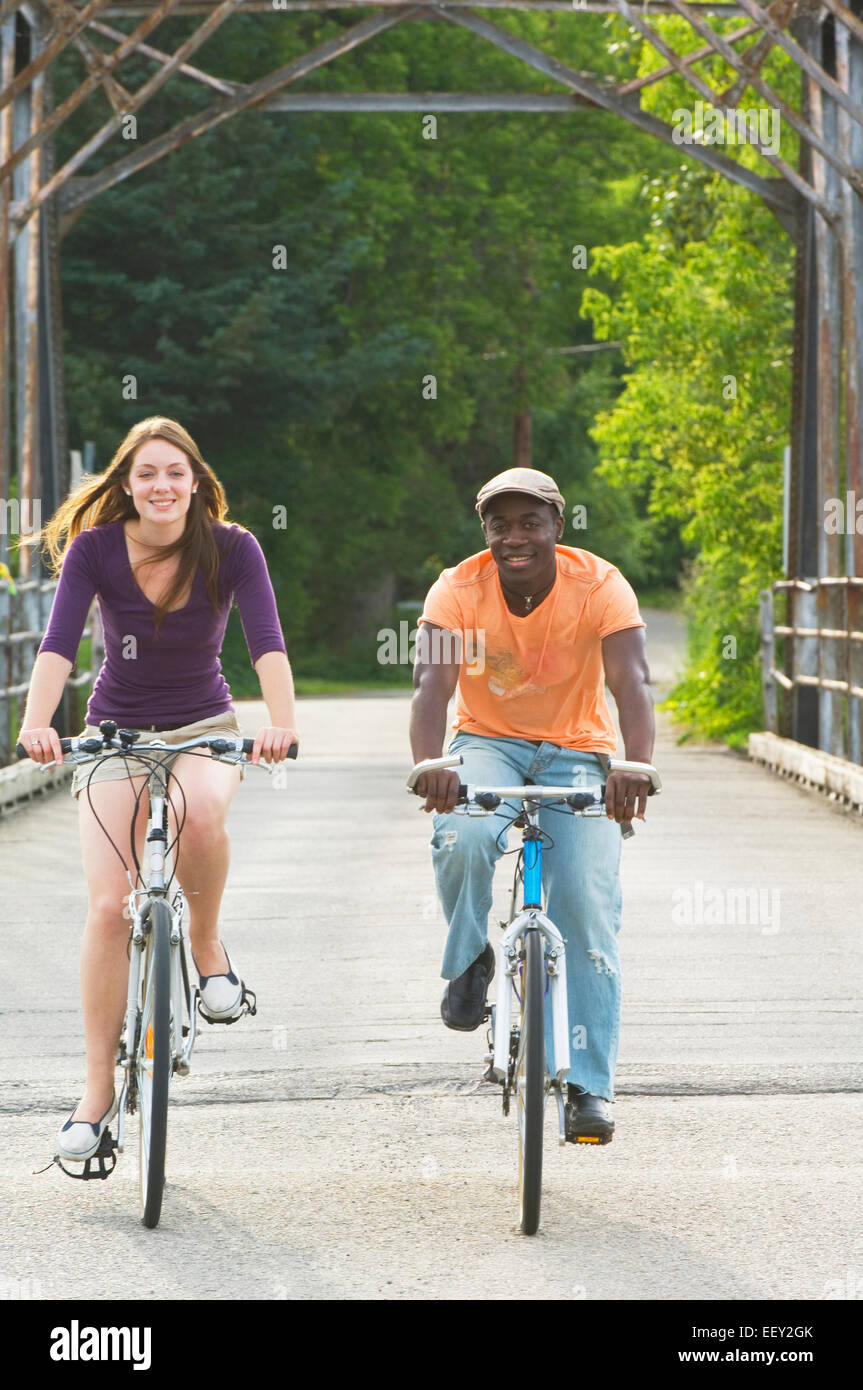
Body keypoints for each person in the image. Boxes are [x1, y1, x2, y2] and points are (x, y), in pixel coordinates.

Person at [17, 416, 299, 1164]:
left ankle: (207, 949)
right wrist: (37, 722)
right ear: (126, 485)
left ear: (197, 483)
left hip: (202, 725)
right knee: (110, 905)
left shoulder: (233, 547)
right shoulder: (96, 549)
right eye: (146, 473)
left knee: (200, 813)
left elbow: (266, 643)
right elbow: (57, 644)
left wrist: (282, 724)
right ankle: (96, 1094)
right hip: (114, 731)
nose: (162, 486)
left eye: (175, 472)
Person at [409, 466, 654, 1143]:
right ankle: (468, 960)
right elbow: (431, 687)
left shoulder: (599, 585)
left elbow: (630, 680)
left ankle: (589, 1088)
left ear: (557, 526)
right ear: (484, 530)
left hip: (580, 750)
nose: (512, 537)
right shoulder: (456, 588)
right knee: (462, 837)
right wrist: (430, 764)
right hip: (486, 742)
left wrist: (632, 765)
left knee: (586, 904)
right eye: (498, 524)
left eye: (528, 522)